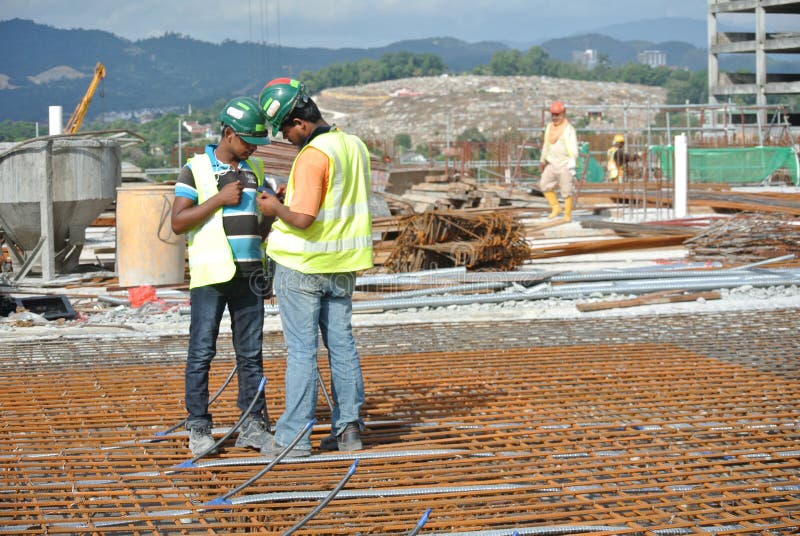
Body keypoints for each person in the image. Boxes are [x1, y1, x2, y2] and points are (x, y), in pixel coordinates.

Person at [256, 78, 372, 457]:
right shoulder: (354, 146)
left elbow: (303, 220)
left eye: (286, 130)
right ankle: (349, 430)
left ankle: (293, 439)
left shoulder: (311, 154)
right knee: (342, 346)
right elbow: (337, 200)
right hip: (342, 266)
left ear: (300, 122)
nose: (287, 138)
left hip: (303, 265)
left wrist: (275, 208)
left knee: (302, 352)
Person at [170, 96, 274, 456]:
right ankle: (198, 427)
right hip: (211, 277)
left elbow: (259, 226)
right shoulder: (195, 169)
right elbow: (178, 222)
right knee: (202, 352)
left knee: (251, 354)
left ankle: (253, 424)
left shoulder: (255, 168)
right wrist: (217, 199)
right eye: (247, 142)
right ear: (229, 134)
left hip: (249, 274)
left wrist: (271, 214)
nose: (252, 149)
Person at [538, 100, 579, 222]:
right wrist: (542, 160)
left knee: (567, 189)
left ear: (563, 114)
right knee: (544, 184)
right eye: (553, 115)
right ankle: (556, 207)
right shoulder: (549, 128)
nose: (555, 117)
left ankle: (567, 215)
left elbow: (573, 146)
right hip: (552, 163)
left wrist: (572, 160)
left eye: (557, 115)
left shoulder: (568, 129)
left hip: (565, 164)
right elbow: (546, 145)